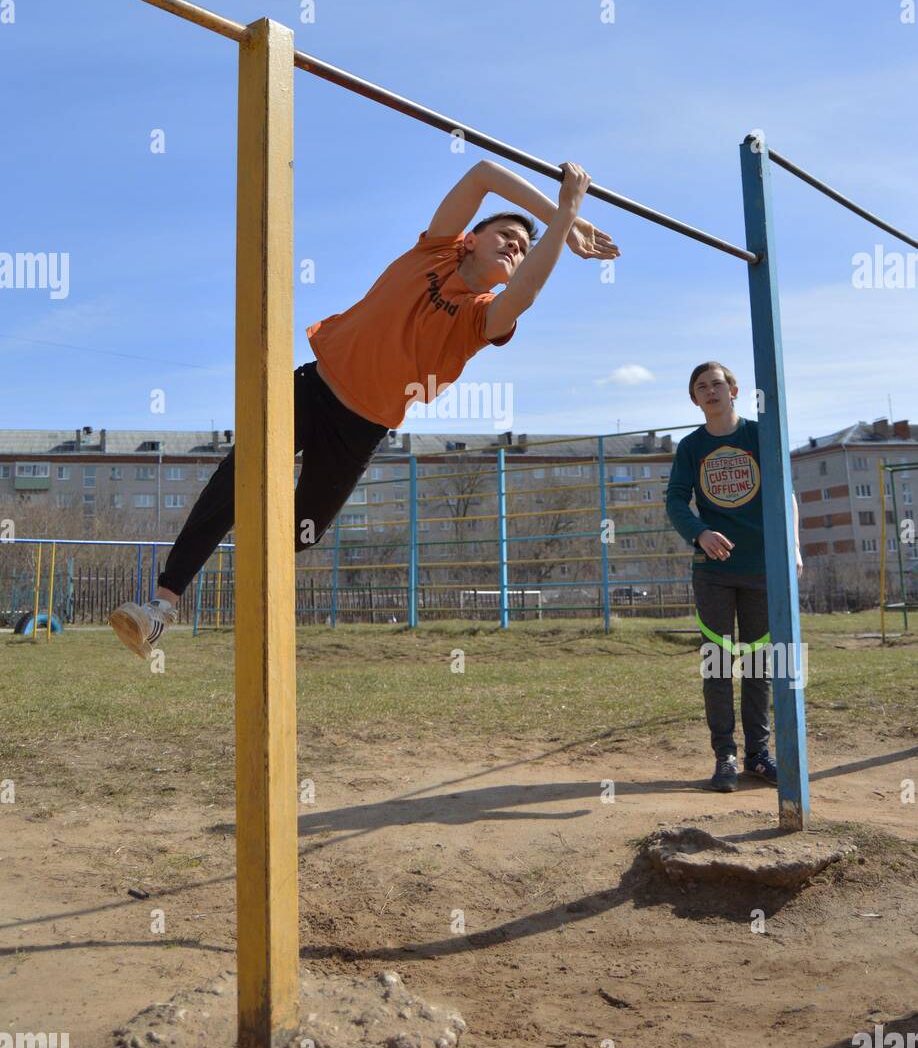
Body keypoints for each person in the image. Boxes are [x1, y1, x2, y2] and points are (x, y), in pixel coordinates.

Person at [109, 159, 619, 659]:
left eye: (524, 248)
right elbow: (483, 173)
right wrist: (560, 215)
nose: (515, 245)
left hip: (359, 430)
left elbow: (526, 293)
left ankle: (253, 578)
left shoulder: (482, 319)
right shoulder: (435, 251)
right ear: (469, 239)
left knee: (302, 533)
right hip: (311, 389)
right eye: (505, 234)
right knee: (233, 479)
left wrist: (568, 217)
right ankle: (161, 608)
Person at [665, 361, 802, 793]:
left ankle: (758, 756)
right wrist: (699, 533)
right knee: (719, 663)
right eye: (701, 387)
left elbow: (787, 492)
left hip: (763, 568)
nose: (710, 391)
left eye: (717, 384)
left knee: (761, 664)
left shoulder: (760, 435)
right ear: (694, 398)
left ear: (734, 390)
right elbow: (674, 502)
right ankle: (724, 755)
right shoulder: (690, 447)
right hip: (714, 573)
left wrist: (794, 547)